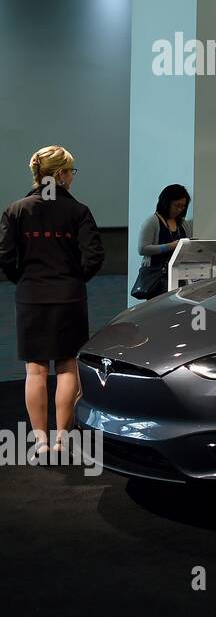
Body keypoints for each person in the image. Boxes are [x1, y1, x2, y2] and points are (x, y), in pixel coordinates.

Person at [0, 146, 104, 461]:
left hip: (31, 297)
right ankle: (62, 439)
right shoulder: (78, 211)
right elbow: (95, 256)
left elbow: (5, 255)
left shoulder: (16, 210)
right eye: (71, 171)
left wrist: (25, 280)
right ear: (60, 174)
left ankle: (41, 442)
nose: (73, 177)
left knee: (35, 371)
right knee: (67, 367)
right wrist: (74, 279)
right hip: (69, 297)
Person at [134, 183, 191, 300]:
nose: (179, 210)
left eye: (183, 206)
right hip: (157, 278)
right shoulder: (152, 222)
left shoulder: (183, 224)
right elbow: (142, 249)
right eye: (177, 205)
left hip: (178, 276)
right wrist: (170, 246)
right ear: (167, 203)